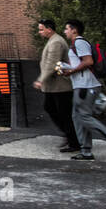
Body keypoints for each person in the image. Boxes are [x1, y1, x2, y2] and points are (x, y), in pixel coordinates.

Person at [60, 19, 106, 162]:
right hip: (82, 85)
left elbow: (88, 61)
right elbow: (81, 63)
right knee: (77, 118)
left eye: (66, 29)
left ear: (74, 30)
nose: (65, 31)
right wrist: (67, 69)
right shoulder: (76, 44)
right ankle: (86, 151)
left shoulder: (80, 42)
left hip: (86, 86)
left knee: (84, 117)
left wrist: (71, 70)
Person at [33, 19, 79, 153]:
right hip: (54, 86)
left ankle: (73, 141)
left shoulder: (56, 42)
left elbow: (52, 63)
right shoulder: (53, 41)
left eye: (41, 29)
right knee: (51, 108)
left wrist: (41, 80)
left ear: (49, 29)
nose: (39, 32)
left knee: (64, 113)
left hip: (60, 86)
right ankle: (69, 136)